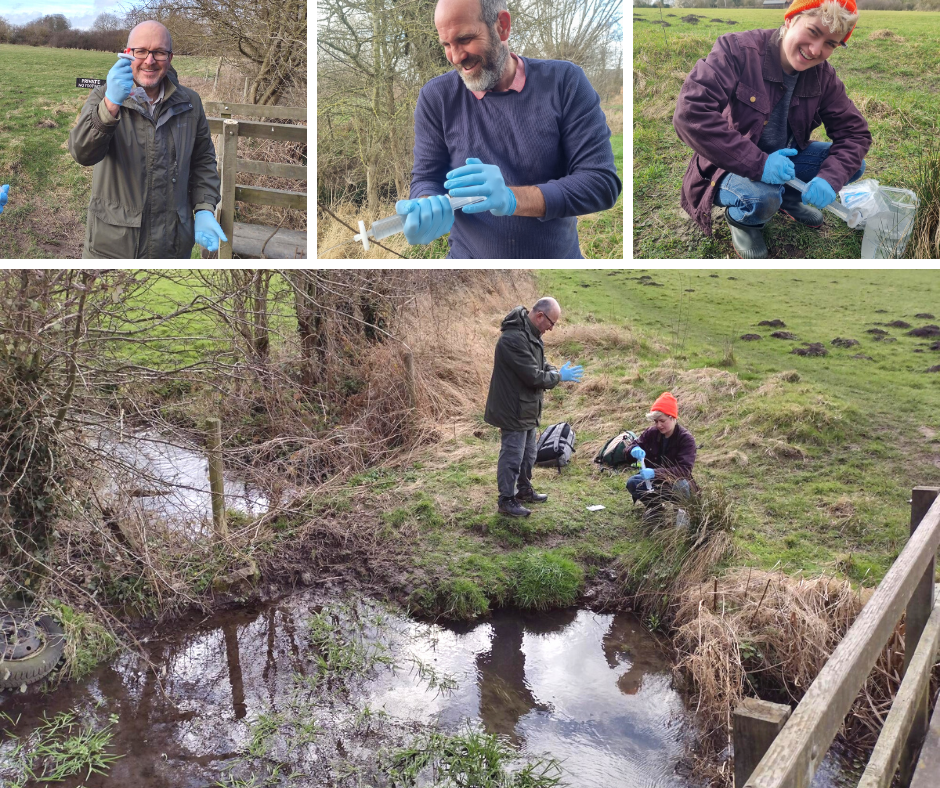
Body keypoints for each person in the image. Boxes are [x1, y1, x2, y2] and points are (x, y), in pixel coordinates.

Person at [398, 0, 622, 259]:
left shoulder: (565, 82)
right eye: (447, 45)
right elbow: (426, 176)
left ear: (502, 26)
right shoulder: (436, 98)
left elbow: (601, 183)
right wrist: (425, 204)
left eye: (466, 38)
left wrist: (511, 199)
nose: (456, 56)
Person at [673, 0, 871, 259]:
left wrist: (829, 178)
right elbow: (690, 113)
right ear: (790, 19)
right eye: (813, 32)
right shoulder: (736, 50)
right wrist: (759, 163)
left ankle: (789, 198)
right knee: (763, 197)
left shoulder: (823, 76)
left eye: (830, 44)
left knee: (853, 167)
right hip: (728, 165)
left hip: (784, 163)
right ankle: (744, 221)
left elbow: (855, 133)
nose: (815, 50)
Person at [68, 21, 226, 259]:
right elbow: (82, 153)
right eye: (140, 51)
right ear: (127, 54)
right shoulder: (103, 96)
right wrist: (110, 106)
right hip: (113, 247)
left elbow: (203, 161)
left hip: (173, 245)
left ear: (170, 57)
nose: (149, 60)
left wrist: (204, 208)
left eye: (159, 52)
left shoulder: (190, 103)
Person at [484, 297, 583, 517]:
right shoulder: (513, 339)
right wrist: (558, 377)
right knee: (513, 455)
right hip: (512, 409)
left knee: (529, 455)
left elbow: (542, 364)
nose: (552, 328)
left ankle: (524, 490)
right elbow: (533, 376)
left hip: (528, 407)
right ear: (540, 316)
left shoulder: (532, 335)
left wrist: (555, 370)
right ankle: (506, 500)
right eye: (551, 323)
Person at [626, 392, 697, 521]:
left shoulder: (686, 439)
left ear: (673, 418)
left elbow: (684, 470)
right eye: (656, 421)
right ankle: (656, 510)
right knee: (633, 483)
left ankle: (682, 512)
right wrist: (632, 449)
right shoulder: (652, 433)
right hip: (653, 483)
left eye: (662, 421)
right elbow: (630, 447)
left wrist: (655, 473)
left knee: (681, 485)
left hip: (675, 482)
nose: (659, 425)